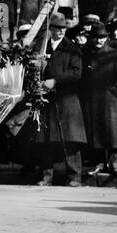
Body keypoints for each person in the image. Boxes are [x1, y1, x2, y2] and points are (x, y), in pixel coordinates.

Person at [38, 12, 85, 187]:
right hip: (47, 100)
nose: (60, 32)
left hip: (67, 99)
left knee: (71, 139)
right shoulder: (43, 48)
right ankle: (46, 176)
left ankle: (75, 177)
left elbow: (76, 72)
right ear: (51, 29)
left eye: (63, 29)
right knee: (46, 140)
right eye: (57, 28)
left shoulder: (73, 49)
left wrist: (55, 80)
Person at [84, 21, 117, 176]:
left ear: (107, 38)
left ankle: (115, 162)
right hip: (93, 99)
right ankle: (99, 163)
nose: (99, 40)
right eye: (96, 37)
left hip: (111, 101)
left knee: (115, 132)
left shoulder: (115, 55)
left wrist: (114, 91)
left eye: (102, 37)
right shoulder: (87, 55)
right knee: (96, 132)